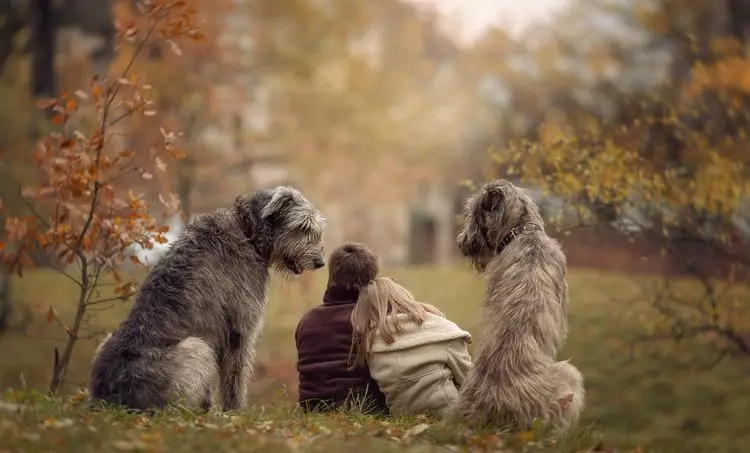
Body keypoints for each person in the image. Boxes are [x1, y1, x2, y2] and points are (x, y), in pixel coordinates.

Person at [349, 277, 473, 418]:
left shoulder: (370, 346)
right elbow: (470, 381)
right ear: (403, 297)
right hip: (449, 416)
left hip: (402, 418)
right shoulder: (440, 331)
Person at [295, 243, 388, 414]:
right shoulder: (375, 320)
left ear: (331, 277)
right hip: (367, 410)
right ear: (371, 281)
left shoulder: (307, 321)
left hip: (314, 409)